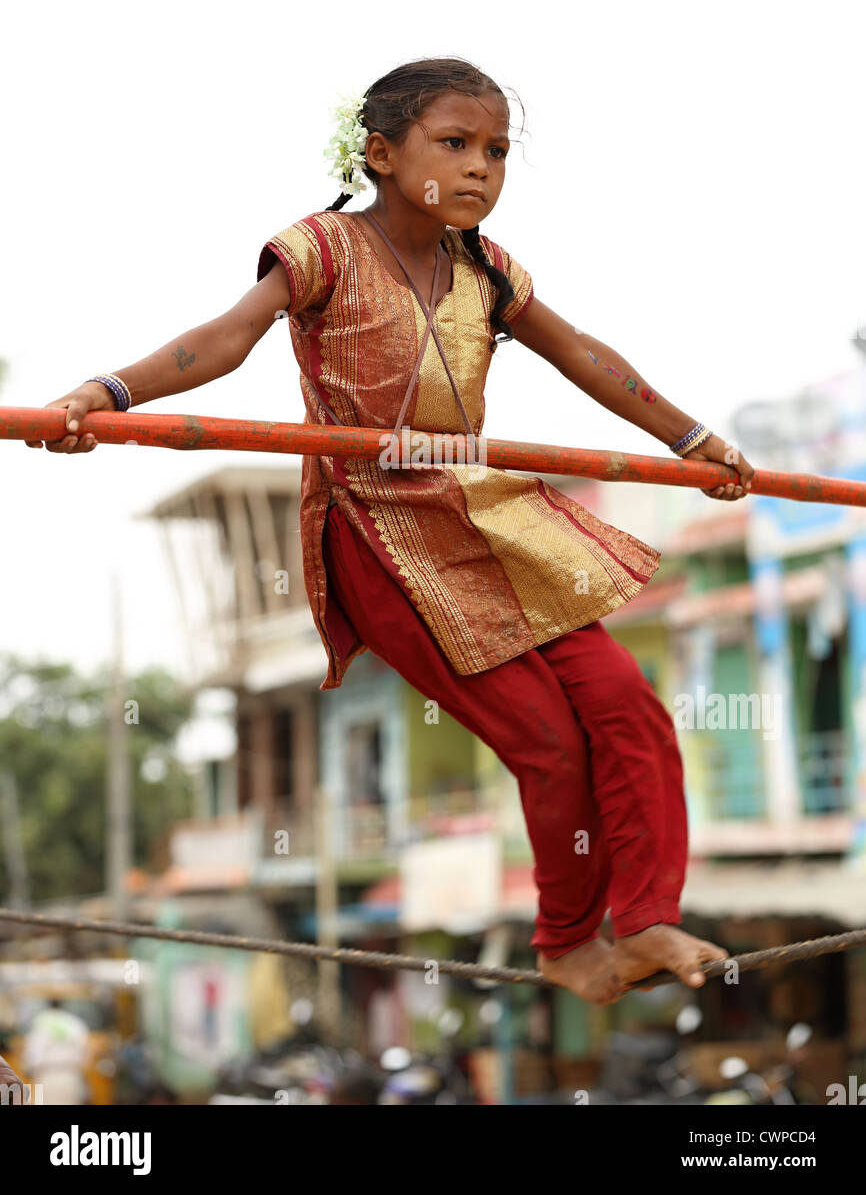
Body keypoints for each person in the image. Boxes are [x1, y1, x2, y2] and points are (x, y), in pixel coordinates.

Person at [27, 57, 755, 1005]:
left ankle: (649, 918)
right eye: (454, 145)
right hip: (378, 529)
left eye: (495, 151)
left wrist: (693, 439)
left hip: (485, 518)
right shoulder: (322, 249)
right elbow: (223, 339)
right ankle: (569, 942)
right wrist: (105, 395)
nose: (480, 168)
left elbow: (584, 356)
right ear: (380, 152)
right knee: (548, 742)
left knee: (626, 704)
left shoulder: (485, 268)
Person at [21, 997, 91, 1105]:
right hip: (71, 1076)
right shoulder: (75, 1023)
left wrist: (27, 1070)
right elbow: (84, 1052)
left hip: (47, 1076)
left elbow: (33, 1054)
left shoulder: (41, 1022)